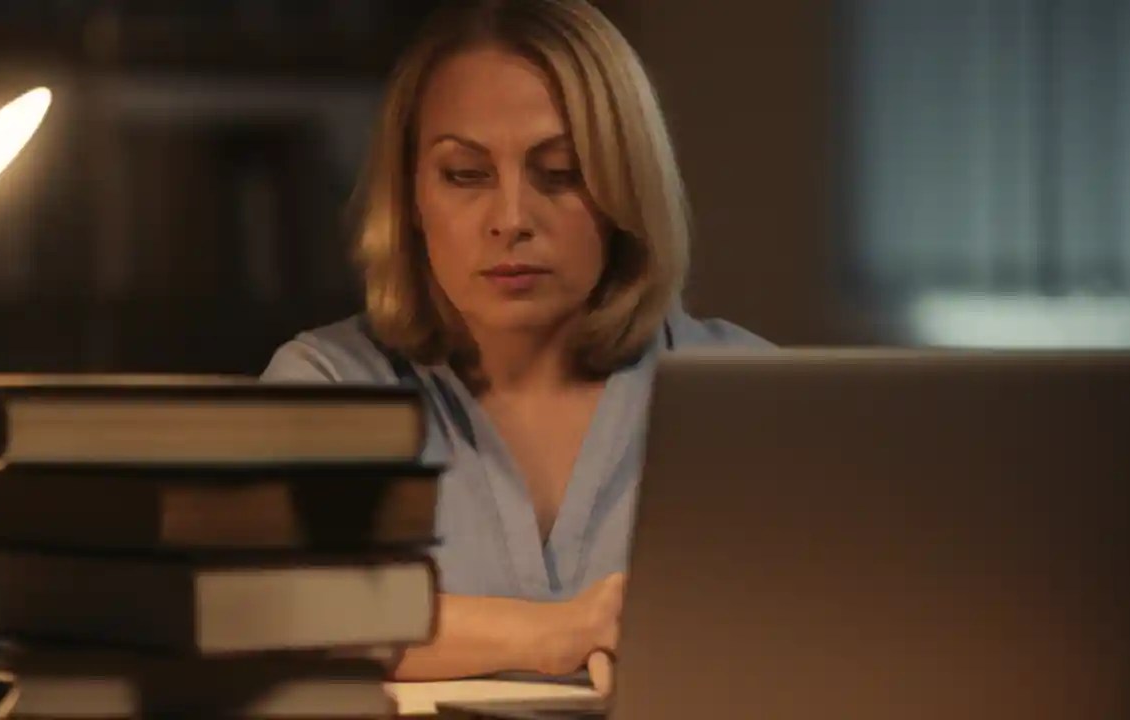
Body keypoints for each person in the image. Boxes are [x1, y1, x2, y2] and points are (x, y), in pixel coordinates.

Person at [261, 0, 771, 688]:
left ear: (626, 187)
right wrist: (556, 633)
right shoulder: (328, 383)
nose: (510, 220)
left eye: (559, 174)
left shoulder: (751, 394)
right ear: (411, 197)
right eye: (465, 175)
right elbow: (275, 614)